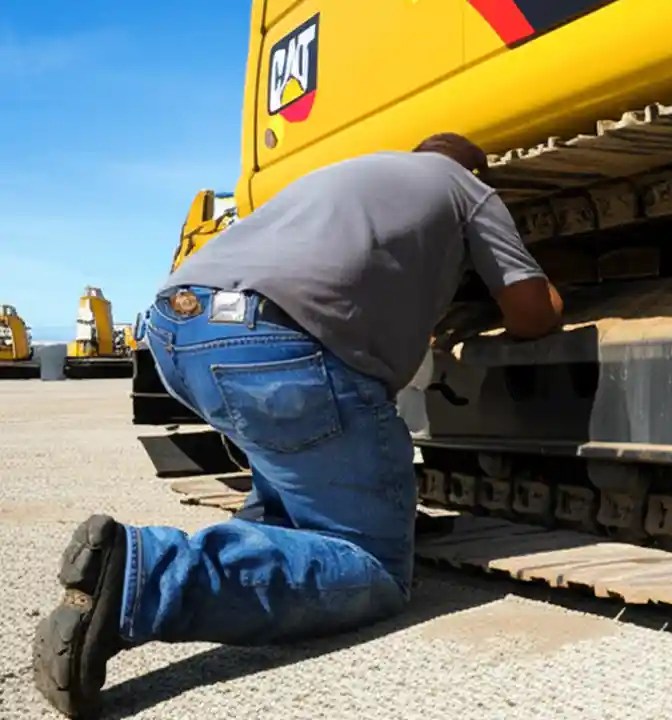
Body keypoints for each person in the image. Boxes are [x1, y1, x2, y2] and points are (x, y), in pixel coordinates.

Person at [31, 133, 563, 718]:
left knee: (290, 490)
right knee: (375, 569)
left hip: (176, 331)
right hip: (274, 347)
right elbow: (531, 314)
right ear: (473, 169)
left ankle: (218, 550)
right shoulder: (467, 188)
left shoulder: (350, 175)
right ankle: (144, 576)